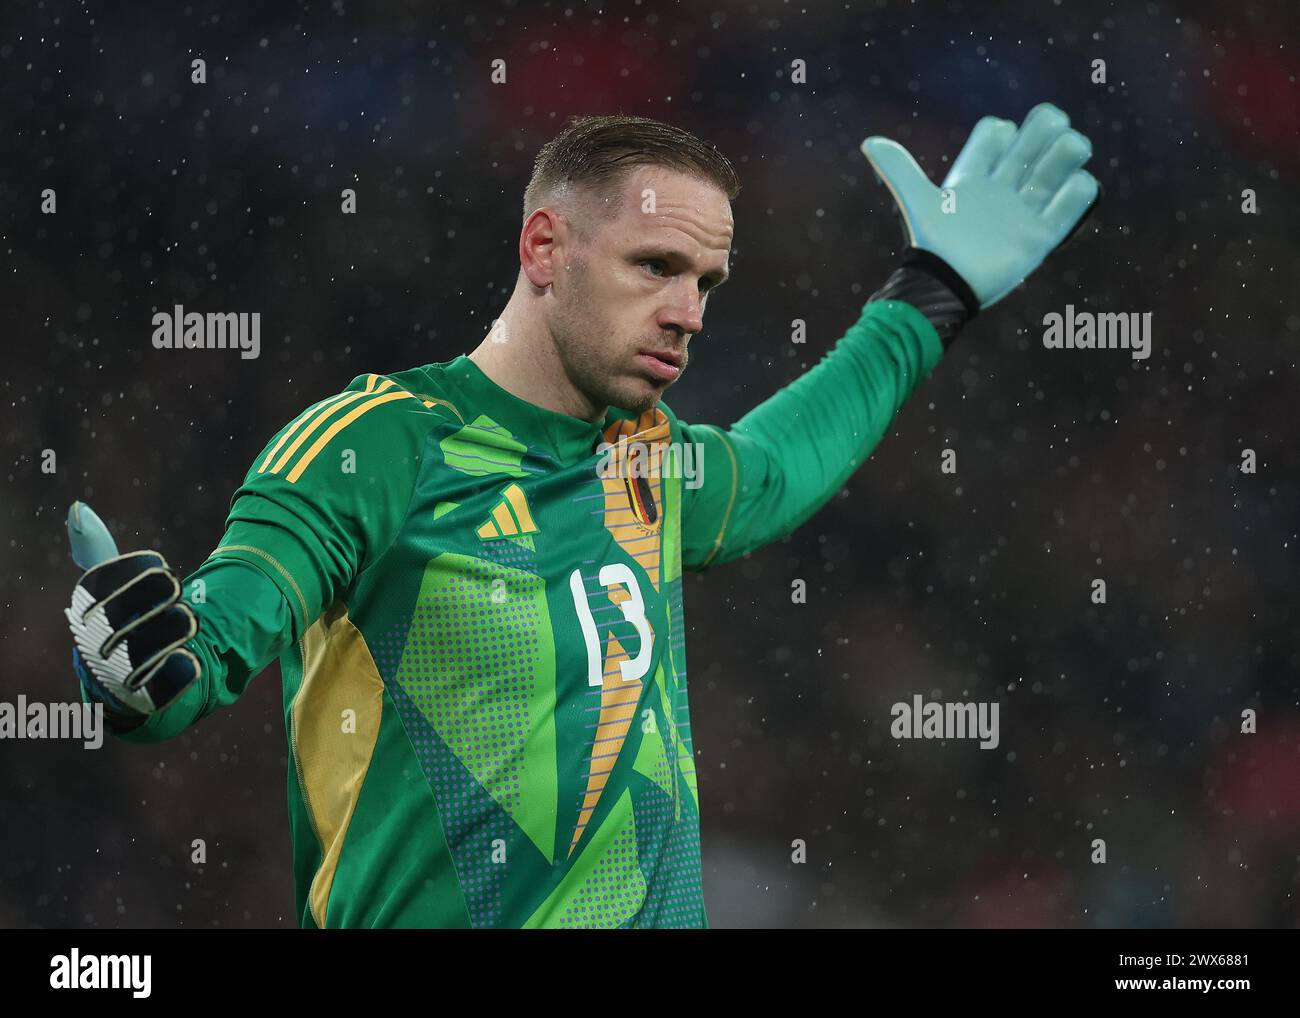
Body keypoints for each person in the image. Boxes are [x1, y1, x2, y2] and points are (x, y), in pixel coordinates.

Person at [65, 108, 1099, 928]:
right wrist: (139, 668)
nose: (690, 309)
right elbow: (207, 646)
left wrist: (935, 288)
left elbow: (779, 466)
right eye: (655, 265)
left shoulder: (643, 458)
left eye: (707, 282)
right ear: (545, 247)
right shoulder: (373, 444)